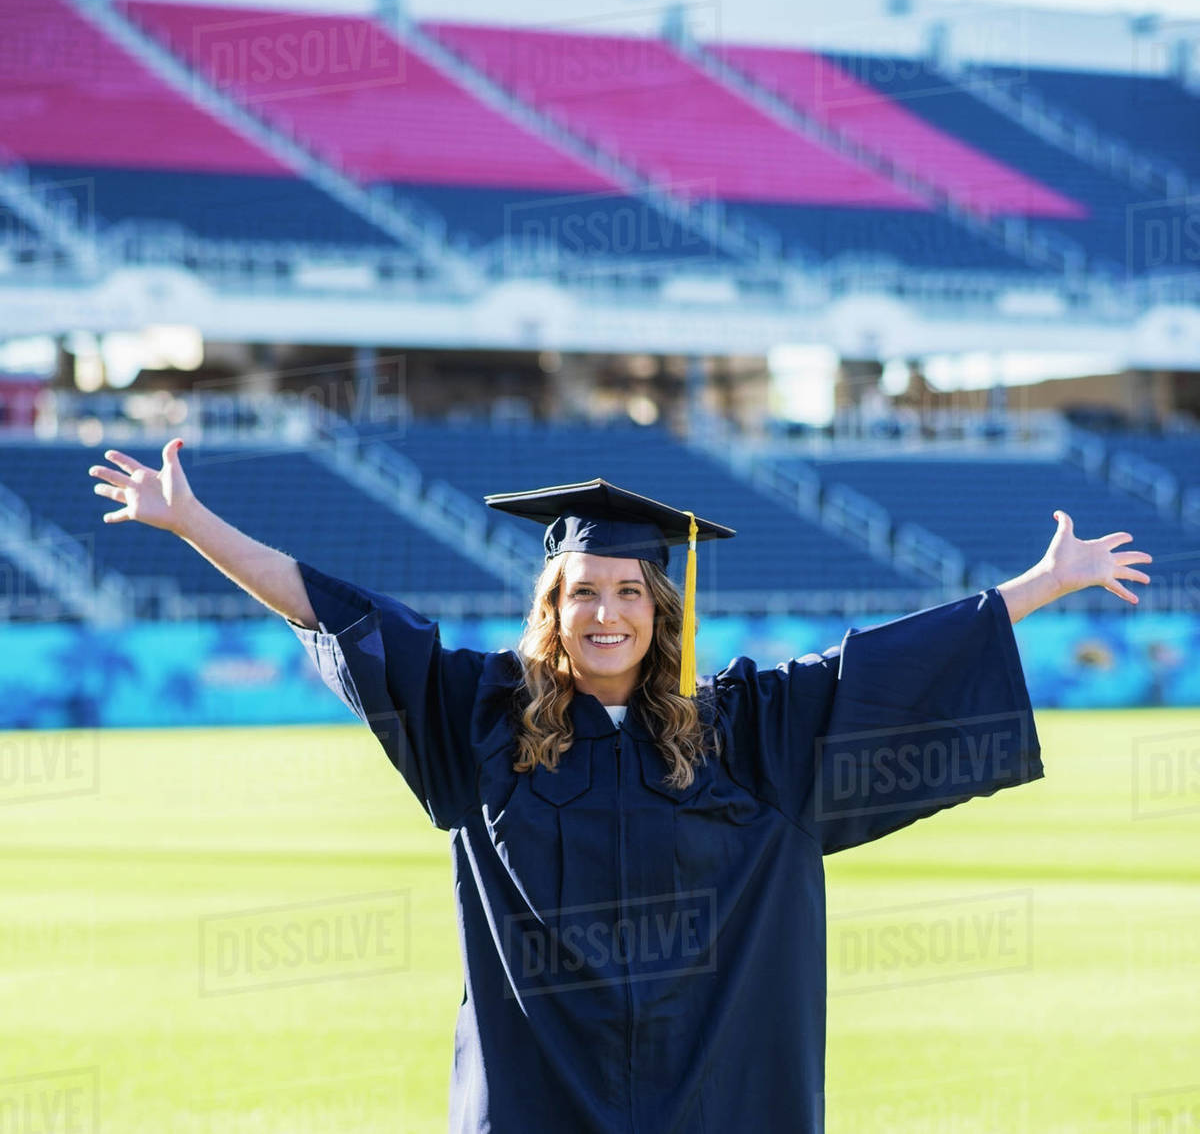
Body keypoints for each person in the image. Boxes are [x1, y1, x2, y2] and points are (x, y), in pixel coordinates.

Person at [89, 438, 1153, 1133]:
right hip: (541, 1098)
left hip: (715, 1099)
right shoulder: (480, 727)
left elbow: (885, 669)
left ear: (662, 608)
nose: (607, 613)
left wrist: (1043, 584)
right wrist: (194, 525)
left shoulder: (748, 732)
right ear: (550, 607)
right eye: (583, 591)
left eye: (629, 592)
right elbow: (337, 615)